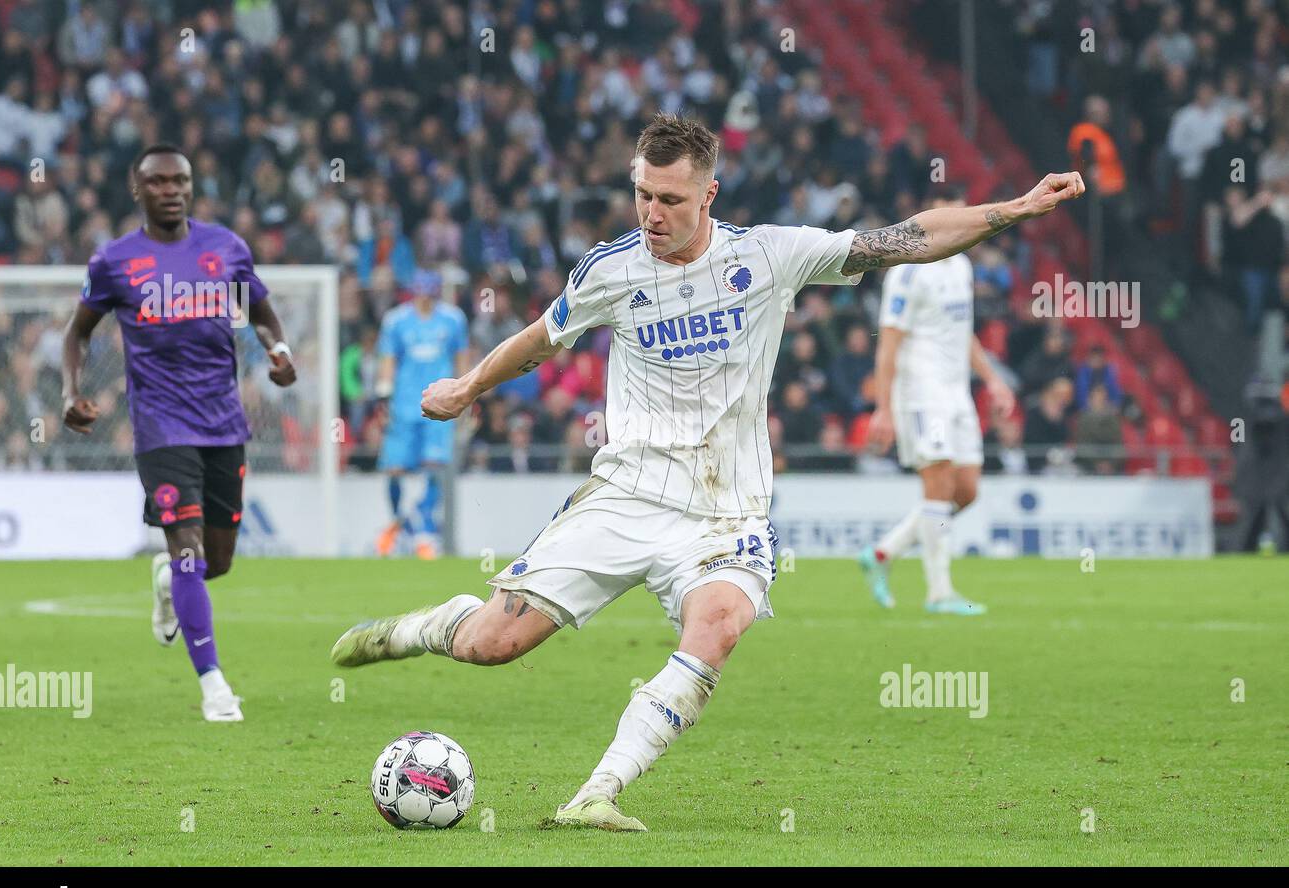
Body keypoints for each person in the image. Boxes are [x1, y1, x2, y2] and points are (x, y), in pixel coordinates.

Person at [331, 113, 1083, 830]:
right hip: (625, 494)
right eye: (641, 194)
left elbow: (908, 239)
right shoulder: (612, 269)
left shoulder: (769, 256)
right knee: (491, 644)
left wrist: (1013, 210)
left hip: (727, 512)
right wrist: (468, 388)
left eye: (669, 199)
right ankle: (416, 629)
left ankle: (595, 795)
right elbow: (540, 338)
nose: (651, 213)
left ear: (708, 195)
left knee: (720, 623)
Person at [62, 143, 297, 722]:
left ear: (191, 187)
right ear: (137, 189)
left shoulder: (226, 248)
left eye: (181, 180)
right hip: (160, 428)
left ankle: (169, 581)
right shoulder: (115, 261)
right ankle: (214, 684)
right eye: (159, 181)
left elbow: (261, 311)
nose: (171, 189)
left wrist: (279, 349)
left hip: (223, 422)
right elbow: (77, 334)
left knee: (214, 562)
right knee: (188, 549)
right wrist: (70, 392)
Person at [856, 189, 1016, 615]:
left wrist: (993, 381)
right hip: (921, 390)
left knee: (966, 491)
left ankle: (883, 552)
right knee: (939, 483)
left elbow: (963, 334)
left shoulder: (962, 265)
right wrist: (884, 408)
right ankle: (940, 593)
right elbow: (888, 343)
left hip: (956, 390)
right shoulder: (907, 270)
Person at [374, 270, 471, 558]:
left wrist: (466, 395)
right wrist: (383, 395)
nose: (425, 294)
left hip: (439, 405)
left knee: (434, 467)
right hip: (404, 404)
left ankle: (425, 532)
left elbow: (461, 359)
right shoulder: (396, 320)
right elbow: (388, 360)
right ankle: (396, 521)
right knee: (394, 470)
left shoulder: (453, 319)